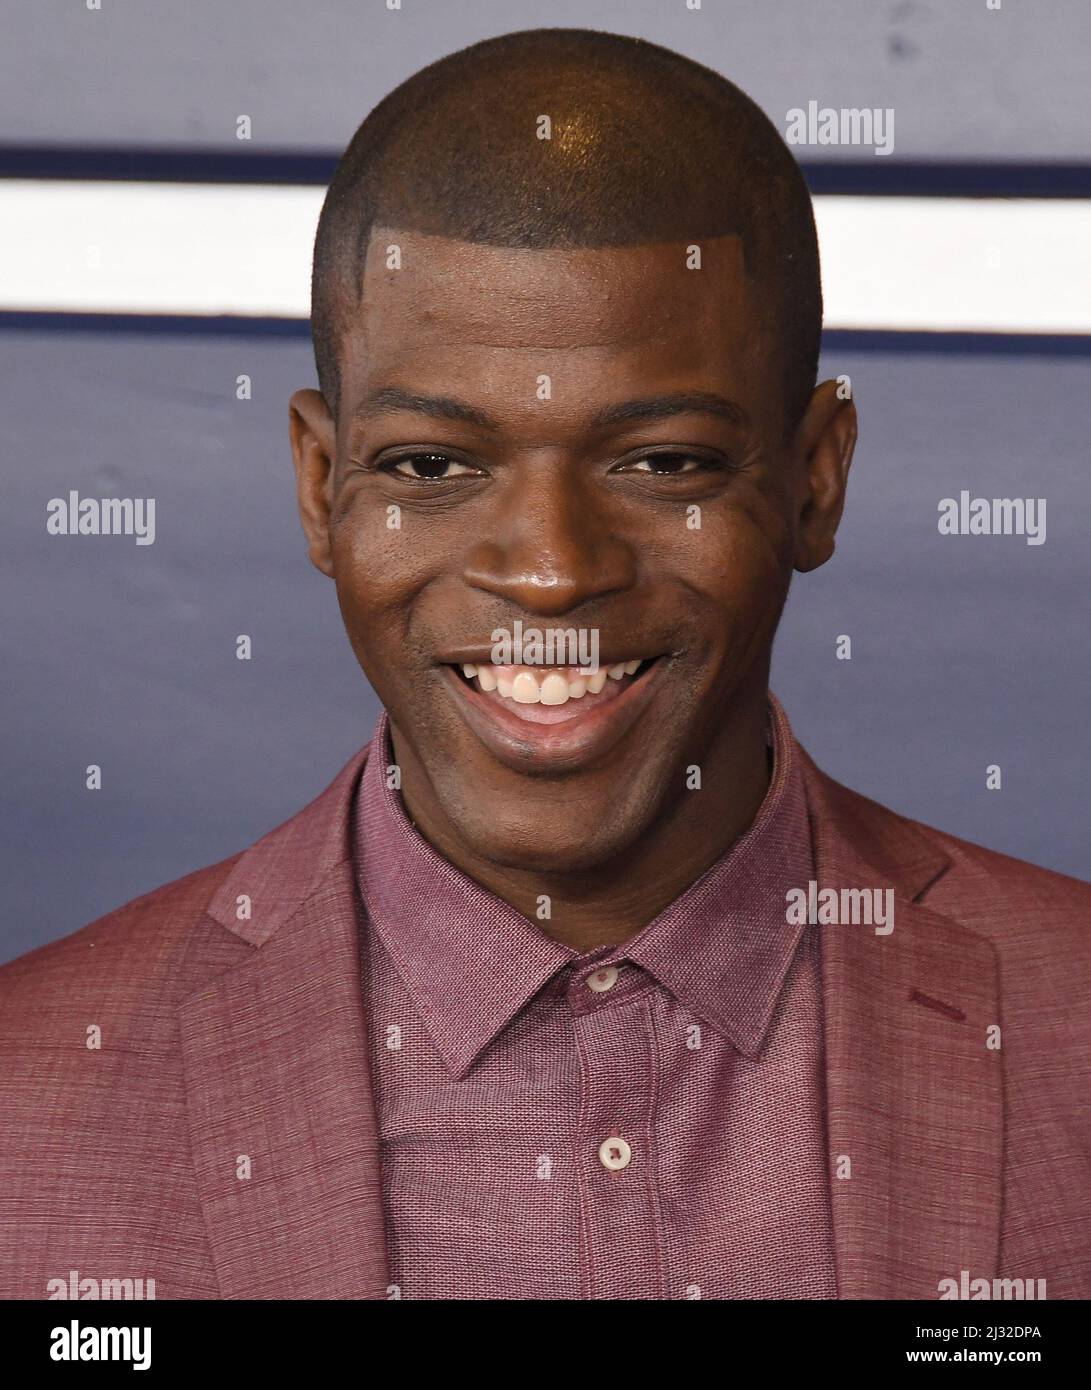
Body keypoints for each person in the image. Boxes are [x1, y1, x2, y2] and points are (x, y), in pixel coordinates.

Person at [2, 27, 1087, 1301]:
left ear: (812, 480)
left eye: (662, 462)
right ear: (319, 485)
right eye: (431, 467)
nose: (549, 571)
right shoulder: (29, 1097)